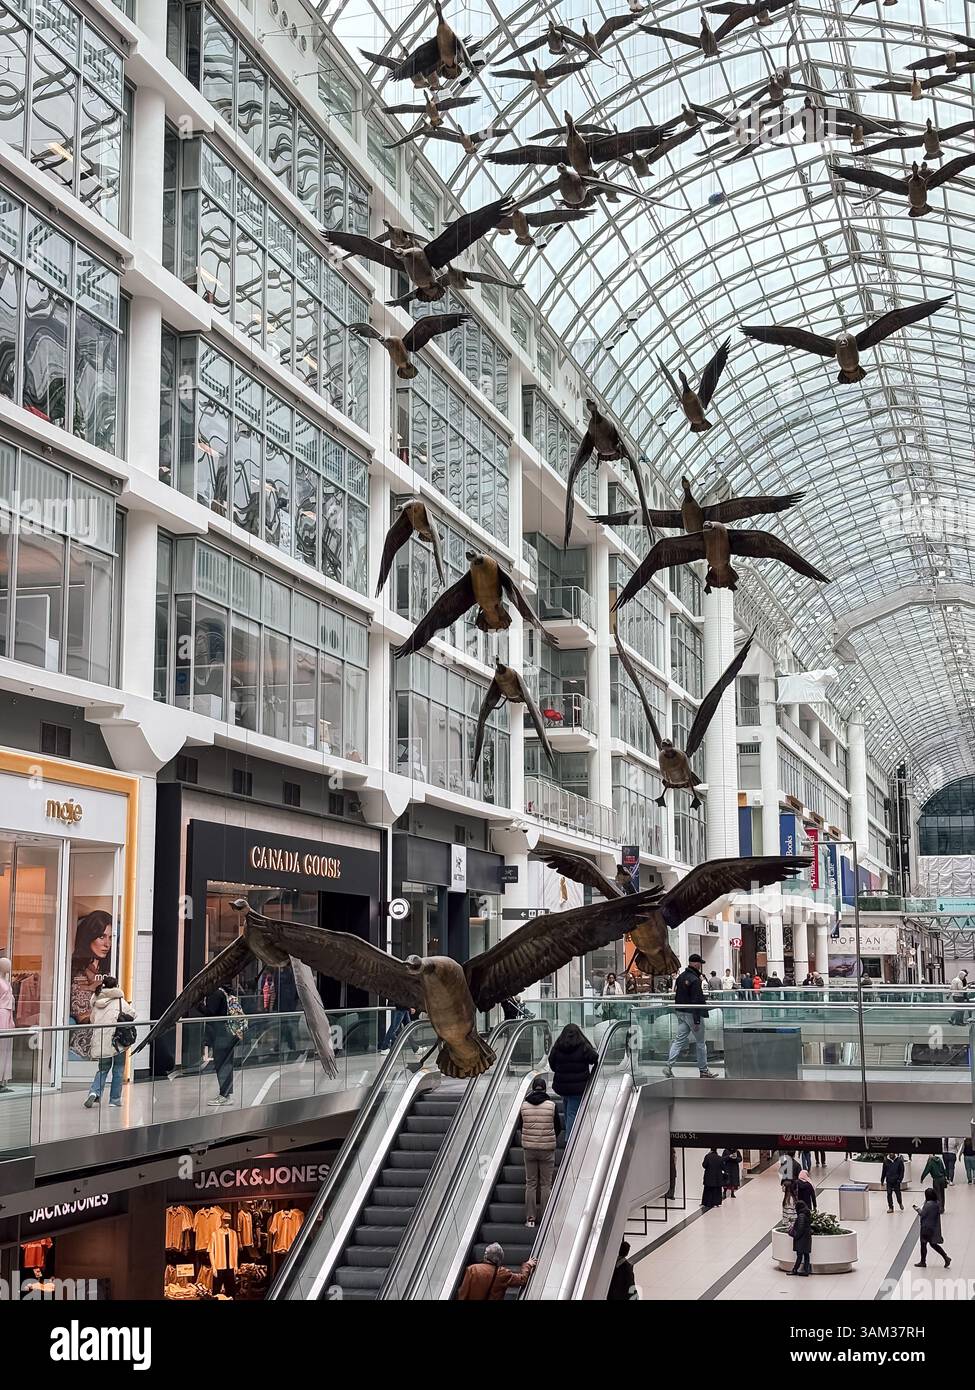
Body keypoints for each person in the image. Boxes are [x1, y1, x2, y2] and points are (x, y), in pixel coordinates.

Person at [662, 954, 718, 1078]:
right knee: (700, 1042)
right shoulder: (694, 979)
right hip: (692, 1014)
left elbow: (678, 996)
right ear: (695, 963)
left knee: (678, 1040)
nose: (700, 966)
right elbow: (696, 1000)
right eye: (699, 963)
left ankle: (669, 1066)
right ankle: (703, 1070)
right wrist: (697, 1020)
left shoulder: (681, 977)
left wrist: (679, 1012)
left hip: (681, 1012)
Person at [517, 1075, 562, 1228]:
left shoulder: (523, 1106)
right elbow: (558, 1126)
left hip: (529, 1149)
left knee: (530, 1184)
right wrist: (549, 1138)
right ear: (544, 1089)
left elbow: (520, 1126)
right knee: (545, 1185)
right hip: (547, 1150)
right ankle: (546, 1218)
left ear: (532, 1089)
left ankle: (530, 1219)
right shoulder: (551, 1105)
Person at [69, 911, 115, 1061]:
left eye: (110, 937)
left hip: (108, 1038)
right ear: (89, 936)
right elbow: (80, 1013)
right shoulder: (77, 970)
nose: (107, 944)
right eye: (101, 937)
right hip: (85, 1042)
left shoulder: (109, 968)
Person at [83, 977, 131, 1109]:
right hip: (117, 1041)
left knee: (103, 1069)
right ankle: (114, 1100)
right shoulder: (120, 1001)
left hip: (101, 1040)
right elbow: (132, 1015)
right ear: (116, 986)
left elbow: (93, 1020)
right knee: (118, 1070)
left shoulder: (97, 1002)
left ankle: (94, 1092)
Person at [548, 1023, 597, 1134]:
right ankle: (570, 1141)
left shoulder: (558, 1045)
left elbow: (551, 1062)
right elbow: (594, 1058)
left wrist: (560, 1071)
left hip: (562, 1086)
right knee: (572, 1113)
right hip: (579, 1088)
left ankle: (568, 1136)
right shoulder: (584, 1046)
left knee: (566, 1110)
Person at [457, 1243, 535, 1299]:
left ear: (485, 1256)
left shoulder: (472, 1269)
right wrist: (527, 1265)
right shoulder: (502, 1273)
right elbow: (522, 1280)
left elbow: (463, 1292)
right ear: (500, 1259)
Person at [202, 987, 238, 1105]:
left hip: (220, 1035)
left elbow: (210, 1013)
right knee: (225, 1064)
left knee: (222, 1065)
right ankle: (225, 1094)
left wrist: (197, 1006)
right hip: (226, 1034)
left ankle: (224, 1095)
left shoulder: (215, 994)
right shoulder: (223, 992)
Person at [913, 1188, 951, 1269]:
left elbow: (922, 1214)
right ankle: (945, 1257)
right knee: (933, 1244)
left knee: (923, 1244)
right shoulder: (936, 1203)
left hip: (926, 1227)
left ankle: (923, 1261)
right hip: (933, 1227)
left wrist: (917, 1209)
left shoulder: (928, 1205)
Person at [788, 1199, 812, 1276]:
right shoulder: (806, 1213)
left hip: (802, 1239)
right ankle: (806, 1270)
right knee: (806, 1255)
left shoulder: (801, 1215)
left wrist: (796, 1235)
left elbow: (800, 1228)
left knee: (799, 1255)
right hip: (806, 1238)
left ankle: (795, 1270)